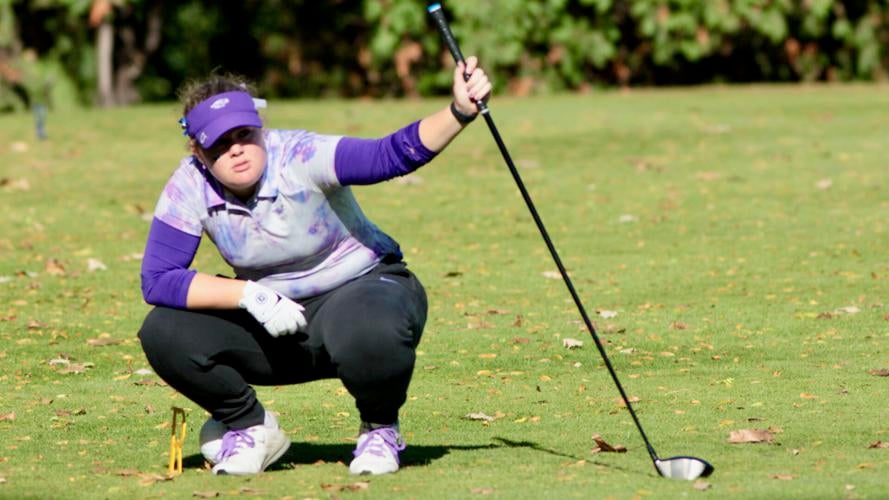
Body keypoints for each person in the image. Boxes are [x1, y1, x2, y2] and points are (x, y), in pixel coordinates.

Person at [137, 57, 492, 476]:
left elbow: (389, 156)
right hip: (278, 320)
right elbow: (158, 279)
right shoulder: (190, 185)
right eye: (218, 143)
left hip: (363, 289)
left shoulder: (299, 155)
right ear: (197, 151)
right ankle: (250, 428)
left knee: (370, 330)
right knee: (163, 332)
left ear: (260, 128)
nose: (235, 148)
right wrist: (249, 294)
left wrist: (459, 112)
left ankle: (379, 429)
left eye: (244, 133)